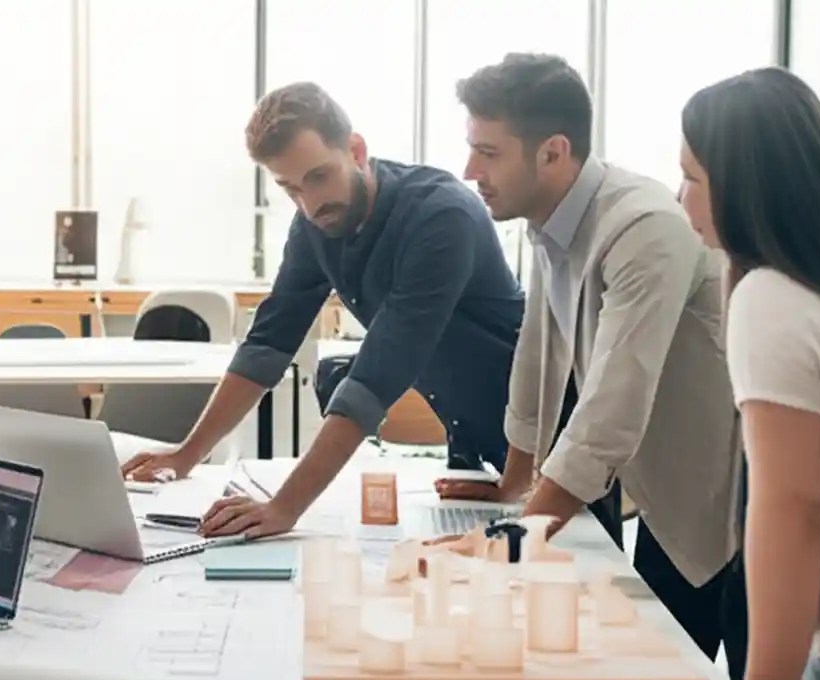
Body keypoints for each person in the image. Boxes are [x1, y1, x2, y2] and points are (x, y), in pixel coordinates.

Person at [436, 53, 747, 680]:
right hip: (670, 497)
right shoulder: (548, 224)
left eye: (488, 153)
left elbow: (613, 401)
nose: (470, 171)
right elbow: (539, 354)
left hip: (741, 502)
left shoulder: (644, 226)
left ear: (552, 151)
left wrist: (516, 536)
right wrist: (513, 483)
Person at [123, 82, 524, 537]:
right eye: (290, 188)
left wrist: (284, 508)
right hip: (486, 457)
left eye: (318, 177)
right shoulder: (316, 223)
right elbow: (268, 343)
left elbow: (376, 376)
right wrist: (185, 455)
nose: (310, 204)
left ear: (355, 150)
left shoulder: (442, 217)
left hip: (553, 446)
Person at [682, 68, 820, 680]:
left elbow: (791, 503)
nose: (682, 200)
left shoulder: (773, 296)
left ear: (746, 187)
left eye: (693, 179)